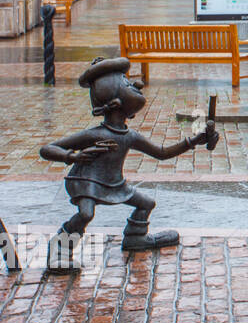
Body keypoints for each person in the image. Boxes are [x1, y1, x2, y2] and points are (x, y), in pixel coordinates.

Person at [39, 57, 218, 270]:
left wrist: (195, 140)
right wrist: (73, 157)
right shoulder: (95, 134)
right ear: (114, 99)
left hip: (115, 183)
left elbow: (161, 153)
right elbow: (47, 149)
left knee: (146, 204)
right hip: (88, 183)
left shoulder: (129, 135)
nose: (137, 85)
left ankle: (136, 237)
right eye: (126, 83)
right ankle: (58, 252)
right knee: (86, 214)